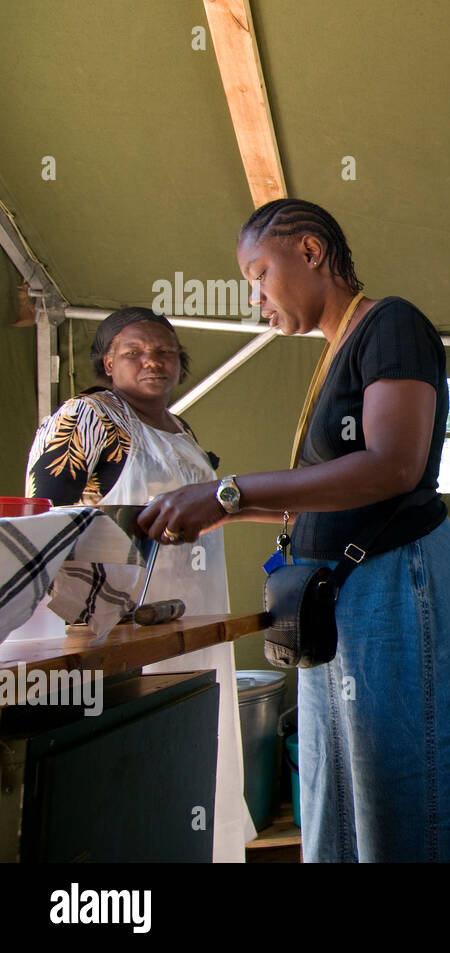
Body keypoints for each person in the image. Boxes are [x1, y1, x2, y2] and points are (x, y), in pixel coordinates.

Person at [139, 199, 450, 862]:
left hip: (393, 582)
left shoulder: (391, 324)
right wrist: (218, 508)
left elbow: (394, 464)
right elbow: (321, 501)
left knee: (401, 796)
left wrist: (228, 489)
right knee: (340, 794)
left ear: (311, 252)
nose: (254, 296)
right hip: (339, 601)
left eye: (259, 273)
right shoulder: (335, 354)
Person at [24, 306, 256, 862]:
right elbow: (42, 526)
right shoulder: (87, 418)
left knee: (194, 747)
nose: (153, 360)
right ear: (108, 362)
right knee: (130, 768)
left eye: (166, 352)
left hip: (194, 618)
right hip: (117, 630)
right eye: (135, 352)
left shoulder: (180, 429)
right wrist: (78, 628)